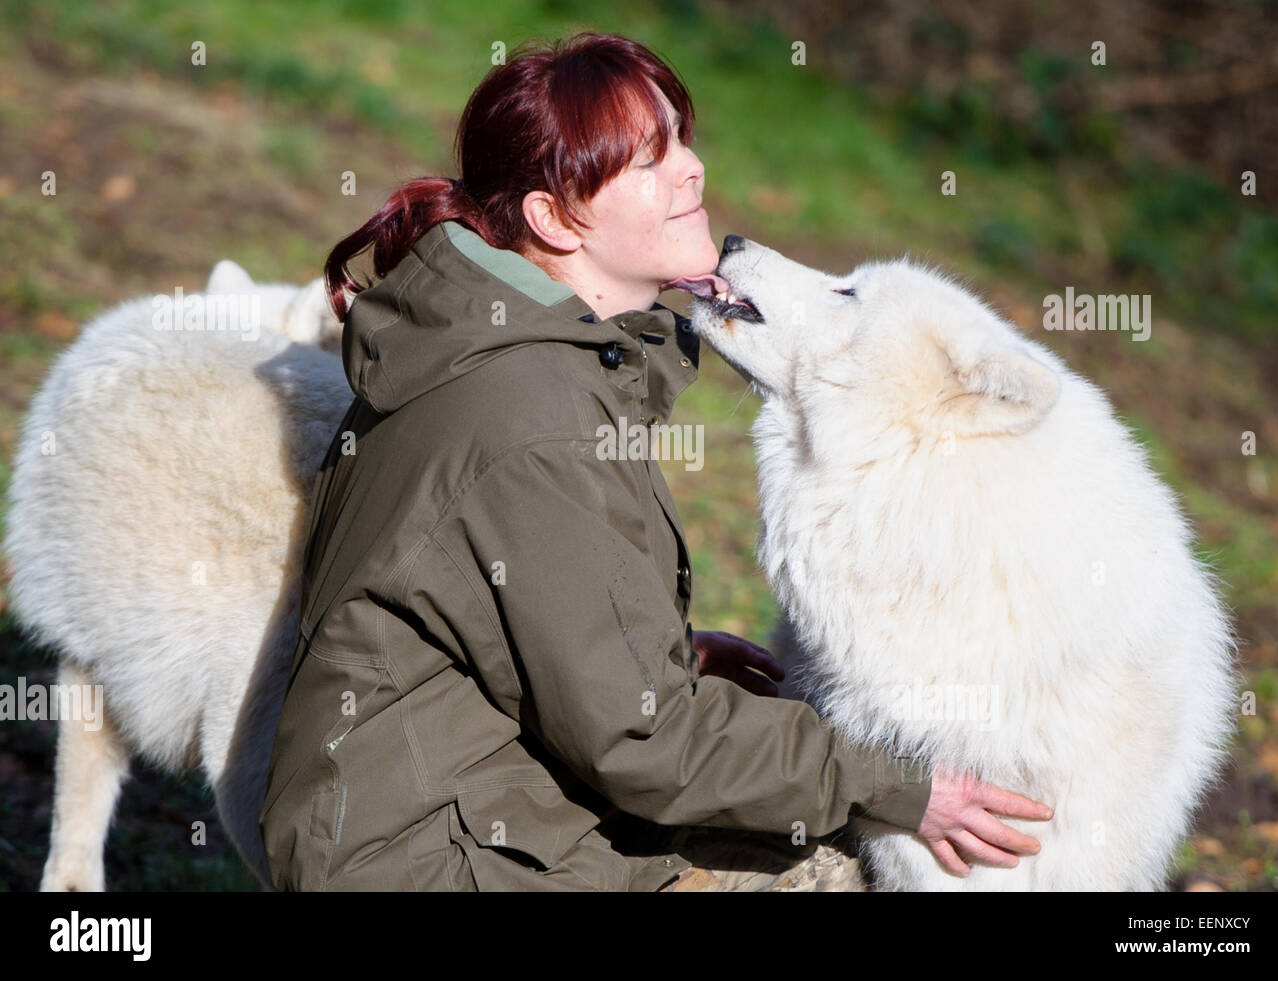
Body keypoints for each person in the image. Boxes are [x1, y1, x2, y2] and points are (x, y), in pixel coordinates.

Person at [258, 31, 1052, 892]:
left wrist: (653, 654)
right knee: (841, 865)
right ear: (553, 220)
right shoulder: (532, 415)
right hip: (429, 862)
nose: (692, 170)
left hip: (460, 812)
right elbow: (647, 743)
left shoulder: (507, 351)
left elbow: (496, 612)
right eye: (648, 159)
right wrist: (901, 785)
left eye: (681, 138)